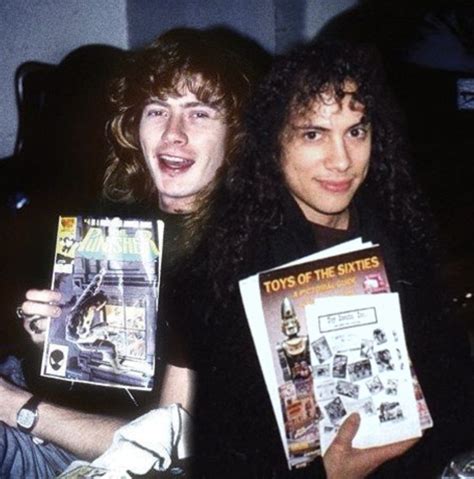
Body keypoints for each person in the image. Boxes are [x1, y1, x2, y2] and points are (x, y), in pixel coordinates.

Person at [169, 40, 474, 477]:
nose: (342, 160)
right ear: (274, 142)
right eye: (313, 134)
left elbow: (457, 395)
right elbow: (225, 455)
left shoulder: (403, 236)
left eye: (356, 131)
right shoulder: (229, 267)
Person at [0, 27, 261, 478]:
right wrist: (49, 330)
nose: (173, 133)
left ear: (237, 136)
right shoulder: (120, 213)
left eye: (199, 113)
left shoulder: (236, 255)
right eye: (157, 109)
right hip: (30, 393)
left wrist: (16, 406)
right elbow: (69, 348)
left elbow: (165, 451)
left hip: (86, 447)